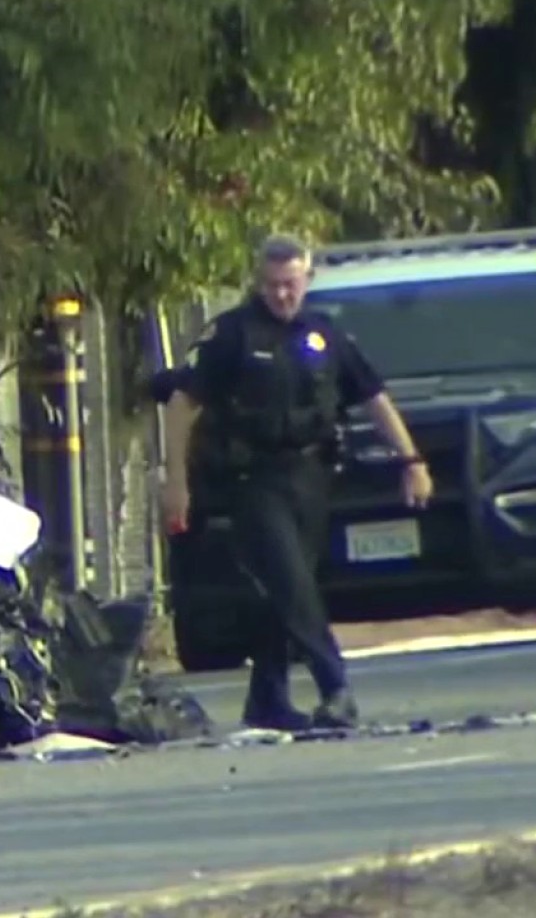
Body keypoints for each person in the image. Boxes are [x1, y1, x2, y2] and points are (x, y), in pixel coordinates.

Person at [158, 234, 433, 732]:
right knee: (291, 582)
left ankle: (268, 698)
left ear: (307, 280)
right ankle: (336, 686)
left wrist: (411, 459)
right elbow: (182, 405)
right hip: (251, 480)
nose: (281, 295)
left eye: (290, 284)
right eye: (272, 285)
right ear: (257, 282)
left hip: (309, 475)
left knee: (281, 592)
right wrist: (176, 481)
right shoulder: (231, 334)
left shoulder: (324, 336)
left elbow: (372, 396)